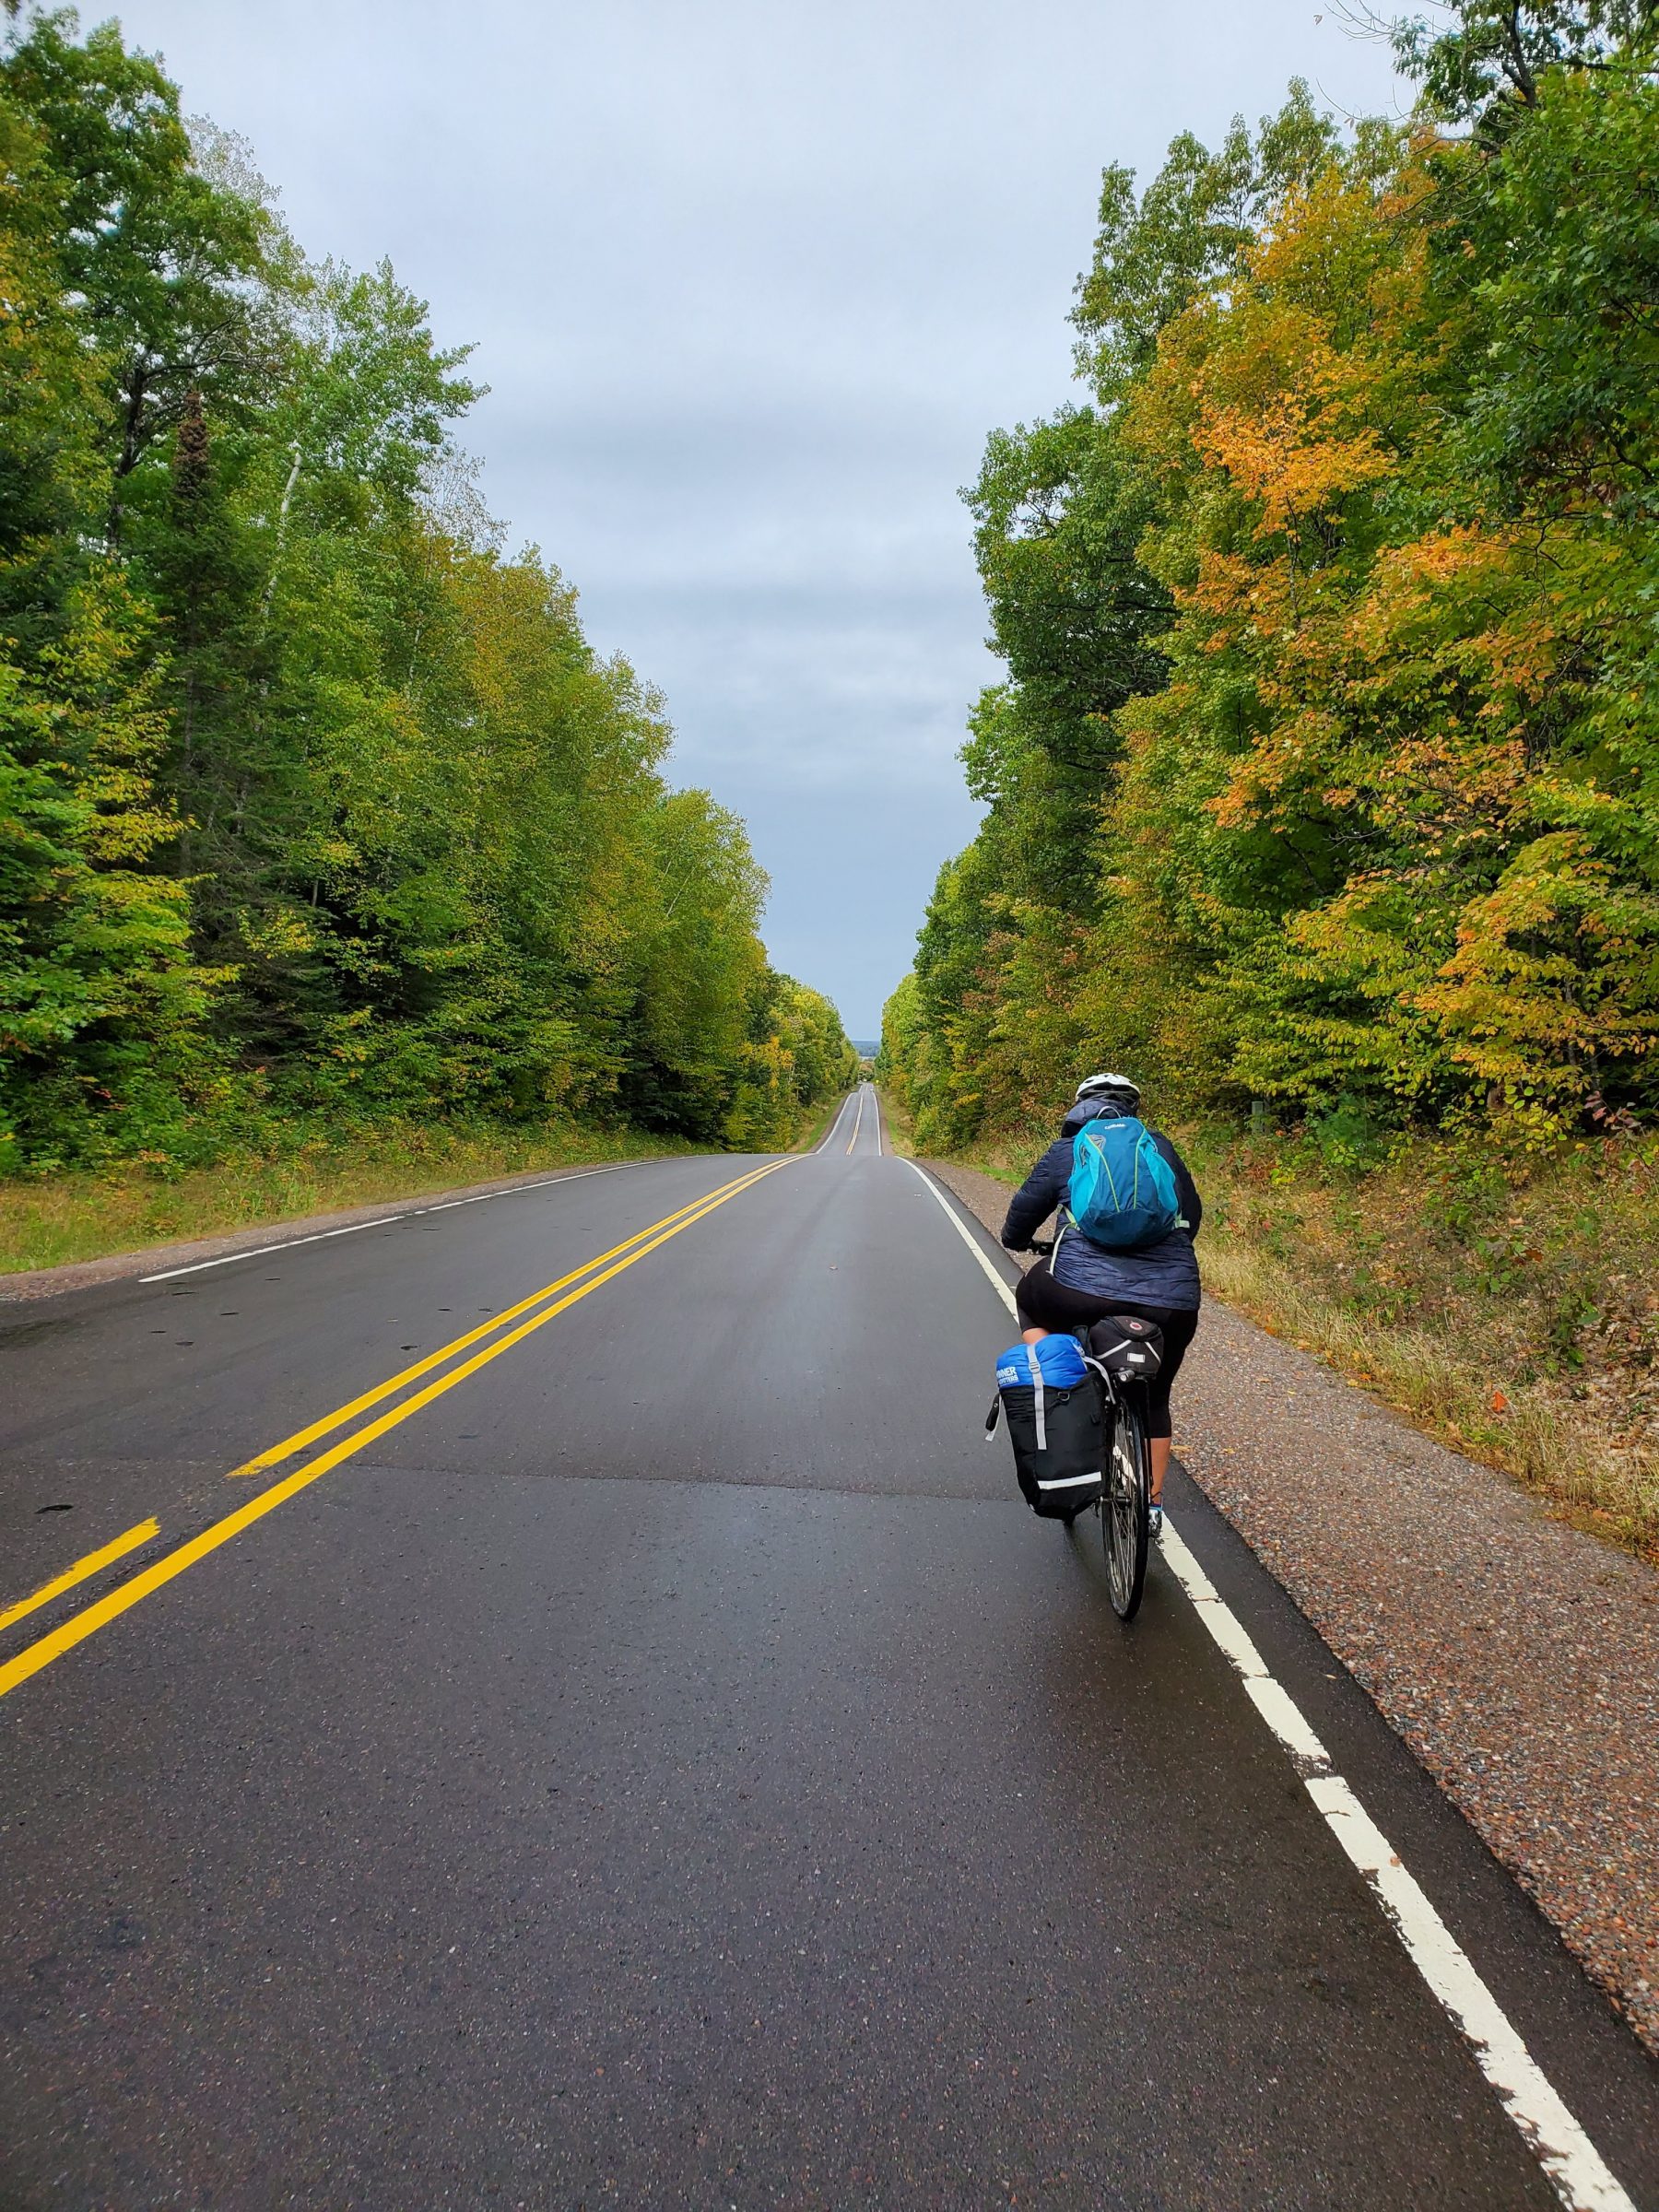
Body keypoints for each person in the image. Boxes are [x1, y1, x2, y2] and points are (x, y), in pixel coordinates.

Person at [999, 1073, 1202, 1540]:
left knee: (1029, 1297)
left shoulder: (1065, 1152)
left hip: (1079, 1289)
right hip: (1171, 1299)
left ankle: (1056, 1376)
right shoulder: (1159, 1149)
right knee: (1157, 1396)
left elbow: (1019, 1218)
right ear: (1133, 1109)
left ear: (1079, 1107)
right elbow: (1190, 1218)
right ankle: (1152, 1505)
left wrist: (1023, 1242)